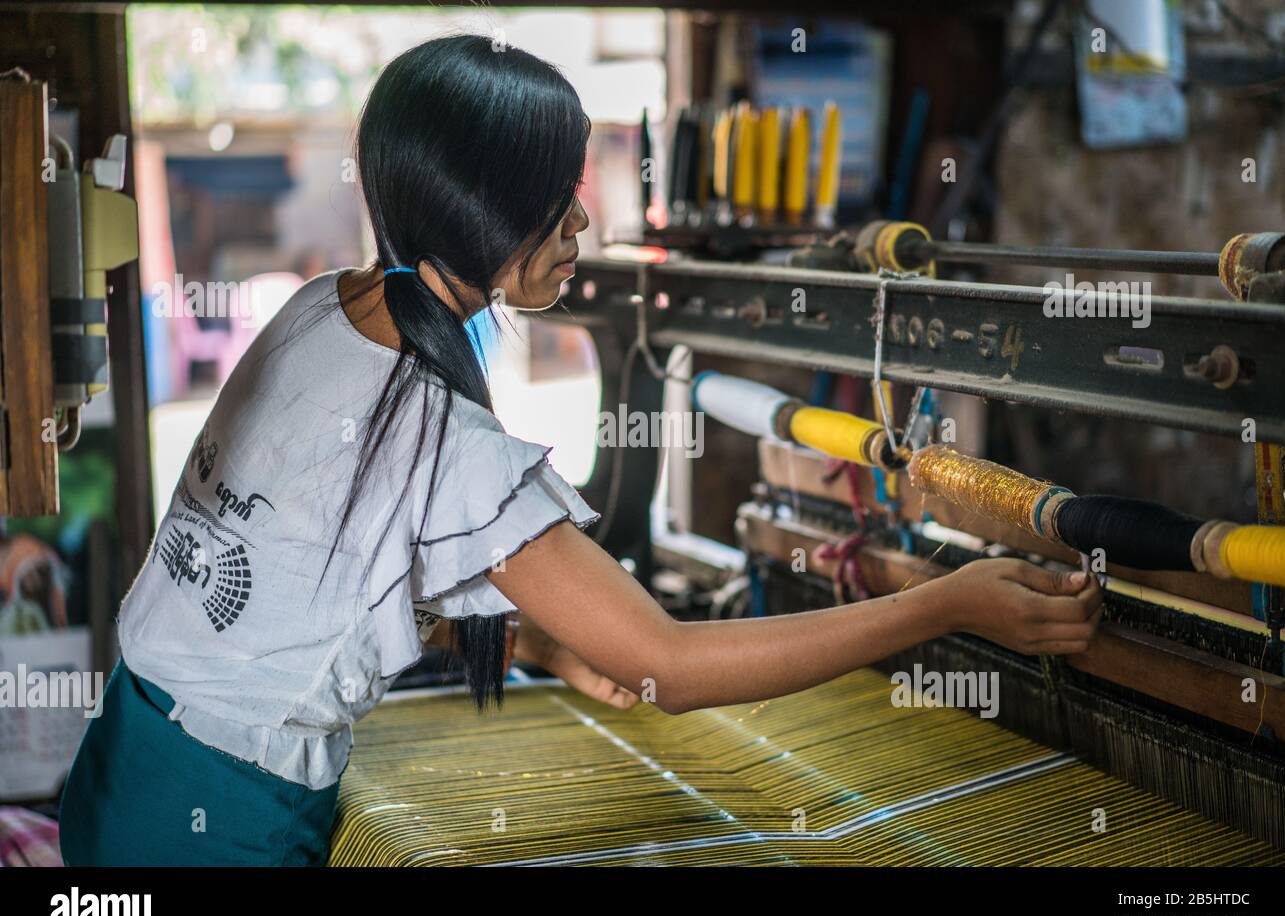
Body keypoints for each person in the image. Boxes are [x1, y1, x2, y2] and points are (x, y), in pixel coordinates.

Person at [59, 34, 1101, 866]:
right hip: (222, 824)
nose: (583, 219)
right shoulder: (448, 444)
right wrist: (944, 604)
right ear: (483, 213)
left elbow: (314, 576)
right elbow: (670, 666)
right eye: (558, 196)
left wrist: (545, 642)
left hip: (123, 764)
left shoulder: (318, 310)